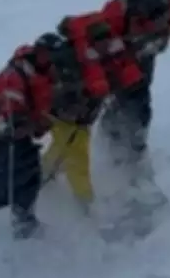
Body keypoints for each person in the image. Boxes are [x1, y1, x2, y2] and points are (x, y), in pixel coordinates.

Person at [0, 35, 71, 238]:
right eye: (53, 56)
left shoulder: (48, 74)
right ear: (40, 53)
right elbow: (10, 106)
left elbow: (48, 105)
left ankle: (23, 219)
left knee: (31, 176)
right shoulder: (13, 77)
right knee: (8, 188)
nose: (57, 62)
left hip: (23, 136)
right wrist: (20, 121)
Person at [49, 13, 146, 200]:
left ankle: (41, 175)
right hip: (65, 115)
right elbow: (58, 89)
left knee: (62, 148)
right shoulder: (71, 58)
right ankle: (85, 204)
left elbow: (121, 77)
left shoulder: (109, 57)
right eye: (101, 40)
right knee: (78, 159)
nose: (106, 44)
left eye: (107, 39)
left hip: (83, 116)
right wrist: (77, 101)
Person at [98, 0, 170, 162]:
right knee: (128, 99)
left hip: (146, 55)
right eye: (154, 20)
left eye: (163, 19)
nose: (160, 23)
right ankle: (115, 141)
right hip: (118, 59)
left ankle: (134, 145)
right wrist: (125, 73)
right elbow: (102, 45)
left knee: (139, 101)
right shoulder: (116, 13)